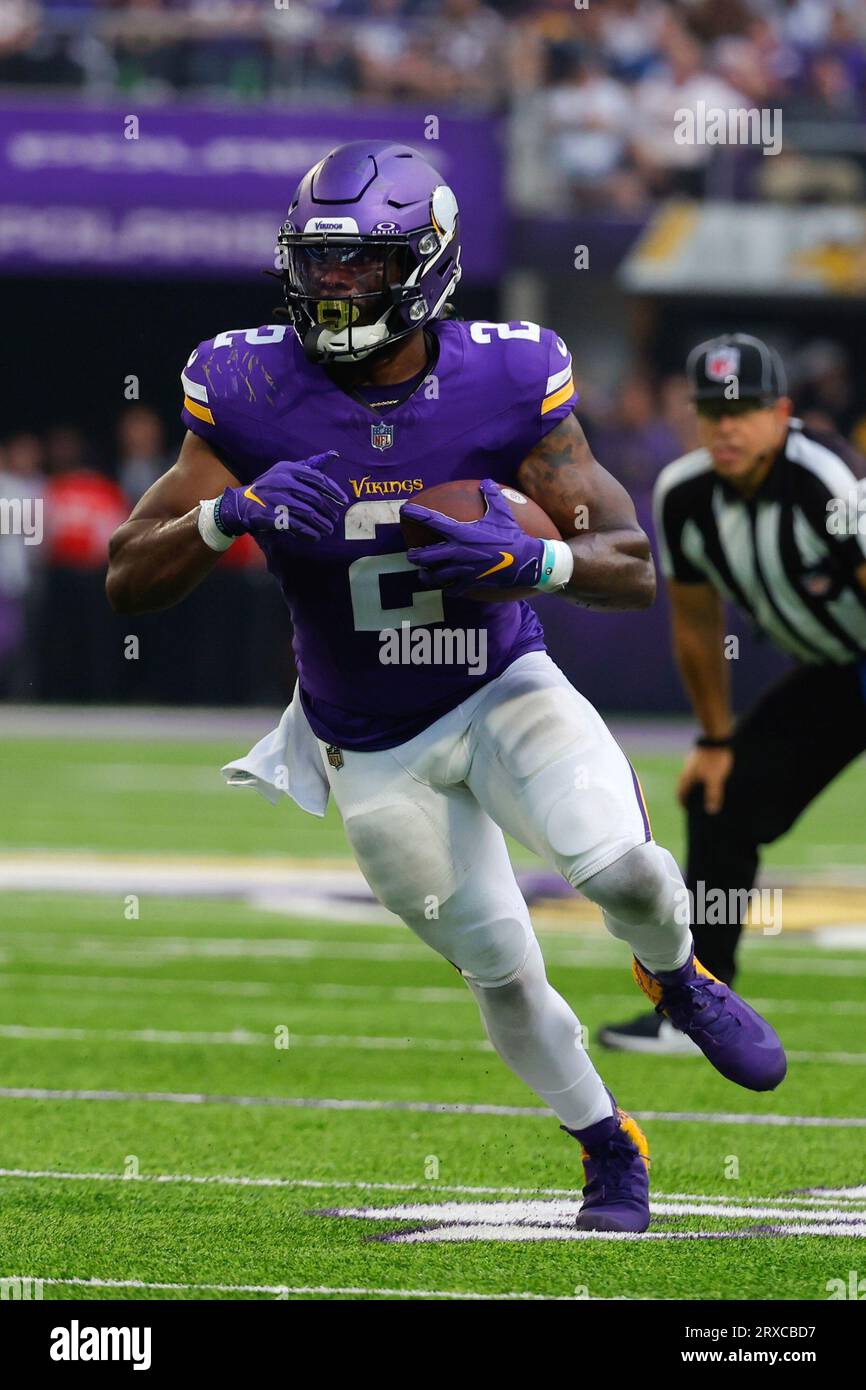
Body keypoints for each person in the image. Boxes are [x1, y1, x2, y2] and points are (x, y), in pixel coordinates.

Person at [106, 143, 785, 1234]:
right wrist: (223, 516)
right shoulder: (243, 384)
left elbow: (625, 560)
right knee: (503, 971)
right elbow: (126, 579)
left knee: (627, 875)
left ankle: (675, 975)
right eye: (318, 267)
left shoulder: (506, 374)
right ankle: (609, 1144)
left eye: (360, 268)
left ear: (424, 267)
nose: (333, 292)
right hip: (368, 741)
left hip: (500, 682)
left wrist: (533, 563)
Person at [600, 332, 866, 1055]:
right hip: (835, 672)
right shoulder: (685, 493)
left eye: (744, 409)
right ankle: (701, 1011)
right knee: (720, 798)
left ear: (782, 412)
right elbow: (695, 621)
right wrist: (716, 740)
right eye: (713, 410)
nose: (727, 426)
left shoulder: (830, 483)